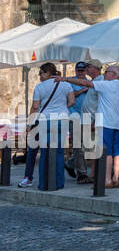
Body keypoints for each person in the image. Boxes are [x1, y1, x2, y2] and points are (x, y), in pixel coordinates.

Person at [70, 63, 119, 187]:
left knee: (106, 152)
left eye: (107, 71)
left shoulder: (107, 85)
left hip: (105, 123)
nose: (105, 73)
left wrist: (66, 79)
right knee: (117, 152)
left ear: (114, 74)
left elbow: (86, 84)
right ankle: (115, 178)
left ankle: (106, 180)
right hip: (117, 125)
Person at [23, 62, 76, 190]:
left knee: (45, 152)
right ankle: (58, 183)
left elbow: (35, 107)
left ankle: (44, 183)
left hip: (45, 120)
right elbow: (72, 101)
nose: (40, 76)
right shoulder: (66, 85)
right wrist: (63, 108)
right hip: (62, 119)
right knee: (58, 152)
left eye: (41, 73)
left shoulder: (40, 87)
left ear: (47, 73)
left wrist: (30, 123)